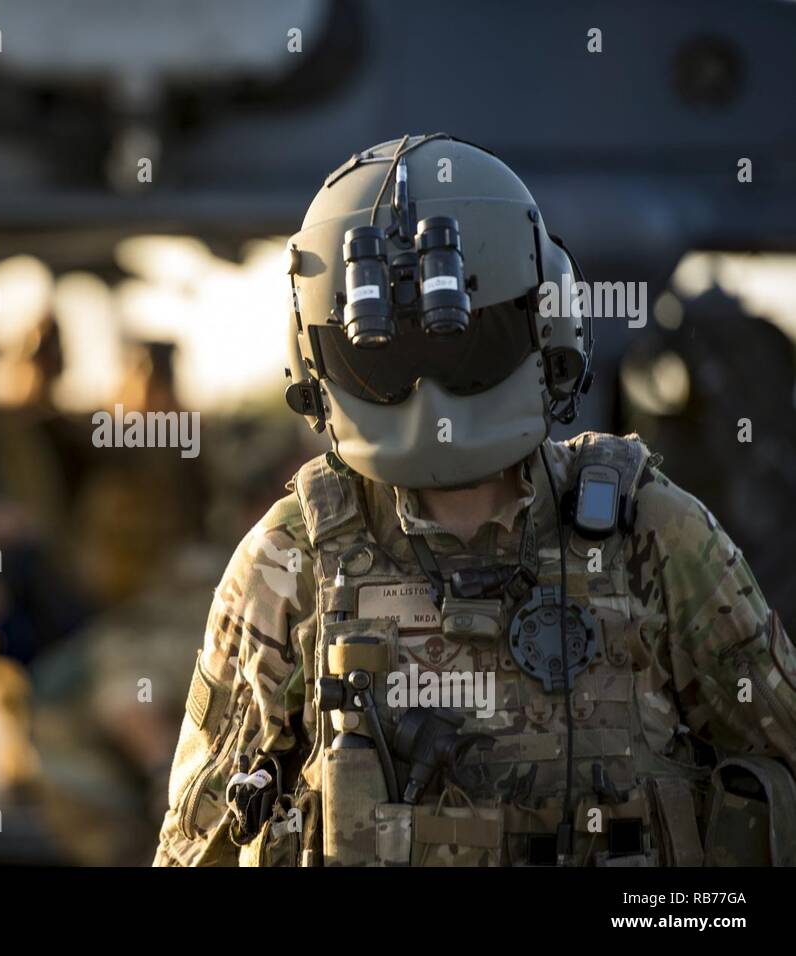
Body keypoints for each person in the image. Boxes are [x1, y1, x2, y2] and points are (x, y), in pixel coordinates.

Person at [154, 135, 796, 867]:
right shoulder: (291, 559)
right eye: (394, 361)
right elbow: (202, 835)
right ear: (550, 319)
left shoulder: (655, 534)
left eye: (462, 347)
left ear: (309, 356)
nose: (431, 394)